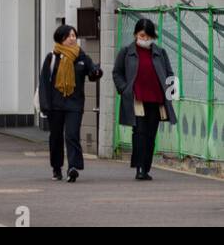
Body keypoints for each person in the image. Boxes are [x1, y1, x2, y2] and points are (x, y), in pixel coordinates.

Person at [112, 18, 177, 181]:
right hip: (137, 99)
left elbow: (169, 73)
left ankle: (146, 167)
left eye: (148, 36)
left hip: (156, 100)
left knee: (150, 135)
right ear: (135, 34)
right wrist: (125, 89)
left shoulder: (160, 52)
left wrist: (171, 94)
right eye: (142, 35)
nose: (145, 39)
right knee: (139, 133)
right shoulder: (126, 52)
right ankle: (139, 168)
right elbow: (117, 73)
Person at [38, 24, 103, 182]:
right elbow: (44, 83)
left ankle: (73, 167)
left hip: (75, 104)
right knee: (56, 137)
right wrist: (45, 105)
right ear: (61, 39)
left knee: (72, 134)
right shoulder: (52, 58)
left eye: (74, 35)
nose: (72, 39)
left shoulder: (81, 57)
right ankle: (56, 167)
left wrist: (96, 72)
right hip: (55, 105)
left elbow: (92, 71)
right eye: (69, 36)